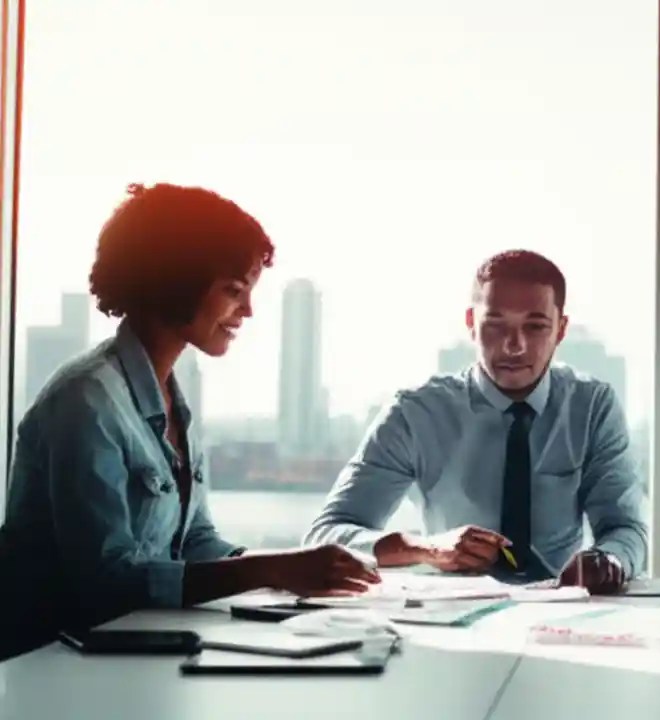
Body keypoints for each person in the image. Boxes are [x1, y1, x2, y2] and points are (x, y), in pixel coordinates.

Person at [0, 184, 380, 660]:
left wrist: (291, 571)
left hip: (134, 654)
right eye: (234, 290)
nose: (248, 311)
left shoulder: (172, 398)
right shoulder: (87, 402)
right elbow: (105, 585)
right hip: (52, 668)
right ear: (178, 280)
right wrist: (269, 571)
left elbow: (195, 540)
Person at [305, 250, 647, 594]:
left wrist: (608, 560)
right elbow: (327, 532)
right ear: (471, 323)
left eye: (536, 326)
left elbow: (626, 529)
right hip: (452, 609)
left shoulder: (591, 407)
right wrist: (427, 549)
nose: (515, 346)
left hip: (563, 608)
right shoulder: (415, 414)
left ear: (561, 330)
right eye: (496, 325)